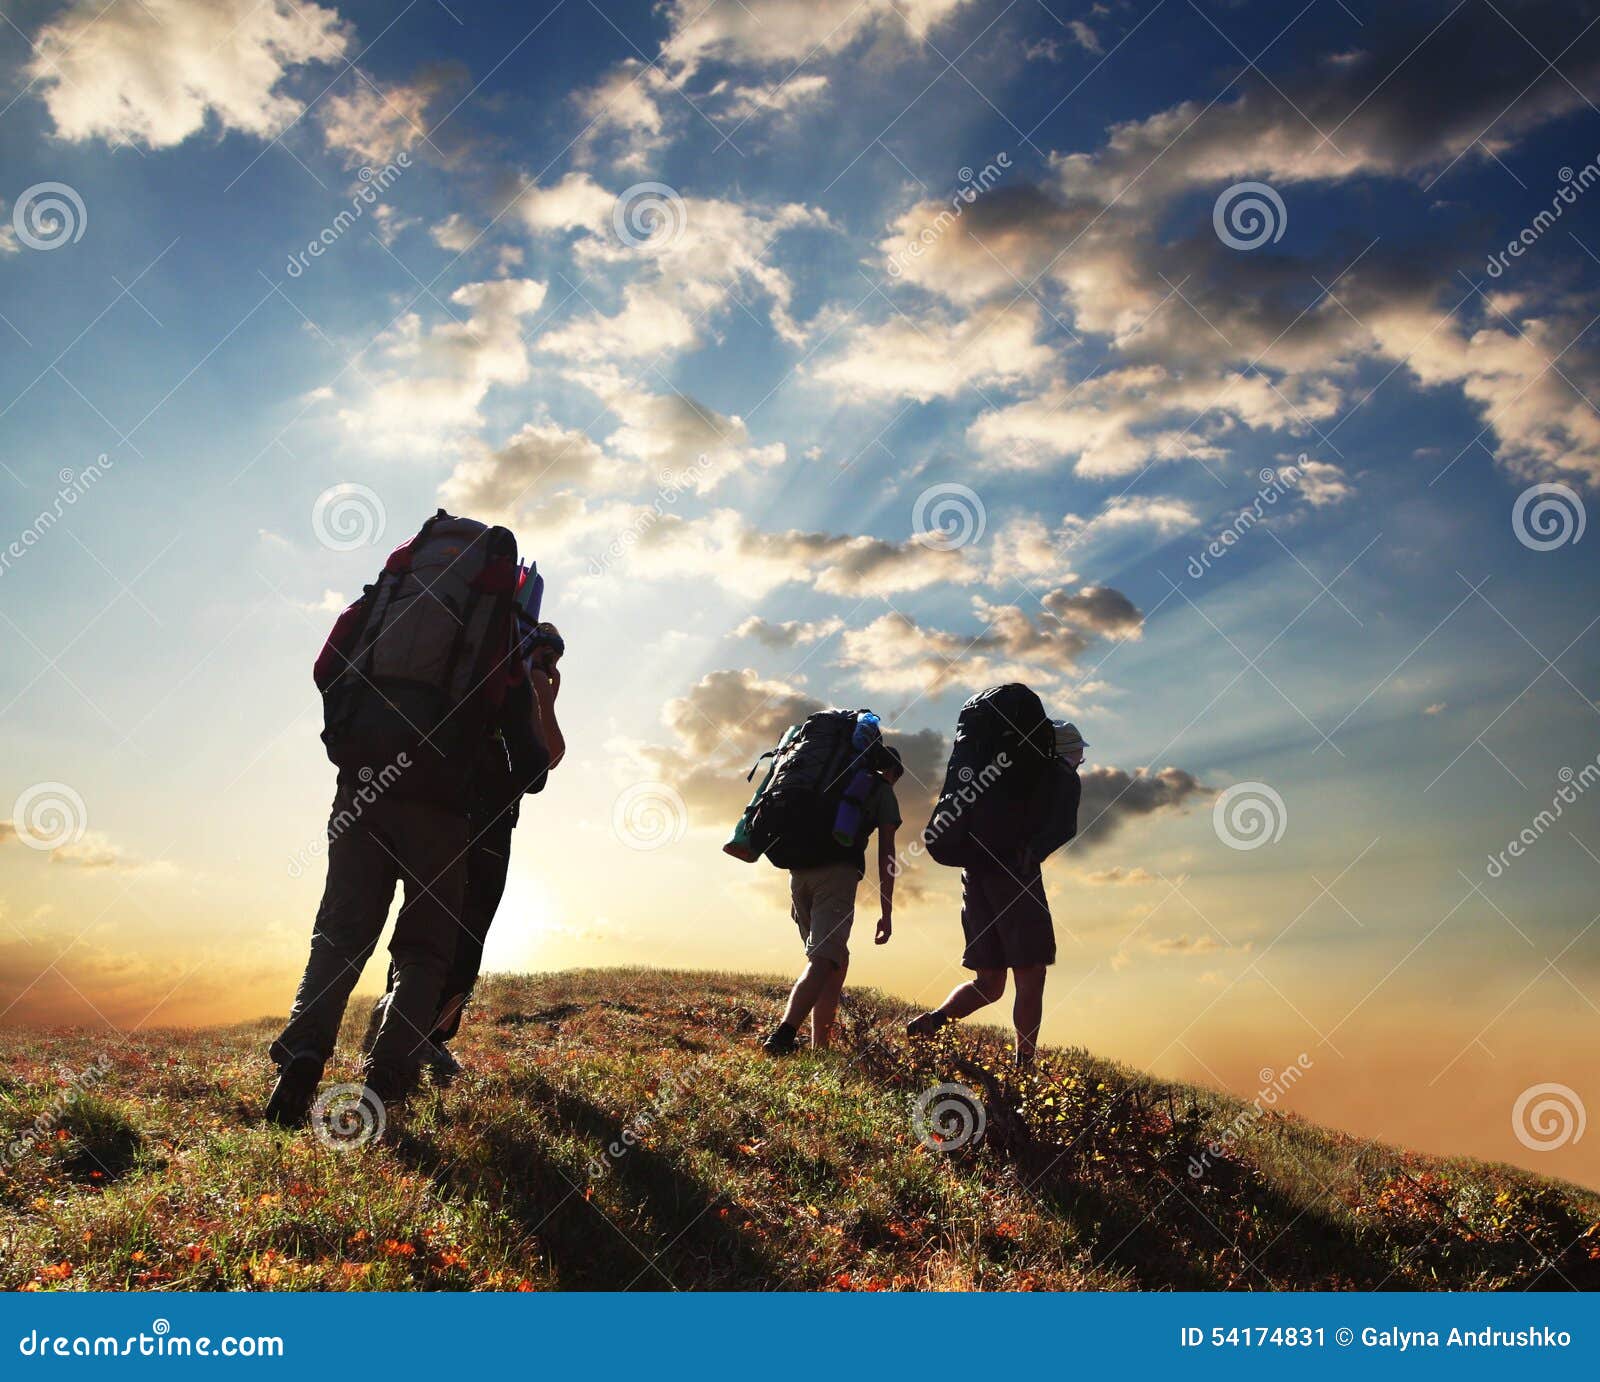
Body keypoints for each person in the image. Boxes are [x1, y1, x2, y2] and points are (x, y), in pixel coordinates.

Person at [368, 623, 565, 1082]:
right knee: (467, 929)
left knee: (423, 920)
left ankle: (395, 1020)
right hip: (486, 824)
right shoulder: (515, 684)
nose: (549, 667)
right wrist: (542, 694)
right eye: (546, 657)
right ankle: (427, 1039)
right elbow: (544, 763)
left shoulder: (468, 670)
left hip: (435, 810)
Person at [906, 722, 1085, 1067]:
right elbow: (1065, 827)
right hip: (1014, 876)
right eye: (1079, 752)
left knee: (989, 982)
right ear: (1064, 751)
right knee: (1031, 973)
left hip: (974, 872)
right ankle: (1024, 1066)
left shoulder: (1003, 770)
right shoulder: (1059, 775)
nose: (1081, 759)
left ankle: (932, 1023)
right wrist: (1030, 854)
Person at [763, 746, 904, 1055]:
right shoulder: (882, 789)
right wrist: (886, 911)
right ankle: (783, 1036)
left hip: (798, 873)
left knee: (835, 960)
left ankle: (821, 1049)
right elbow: (887, 855)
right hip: (837, 875)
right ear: (891, 771)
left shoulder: (831, 776)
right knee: (824, 959)